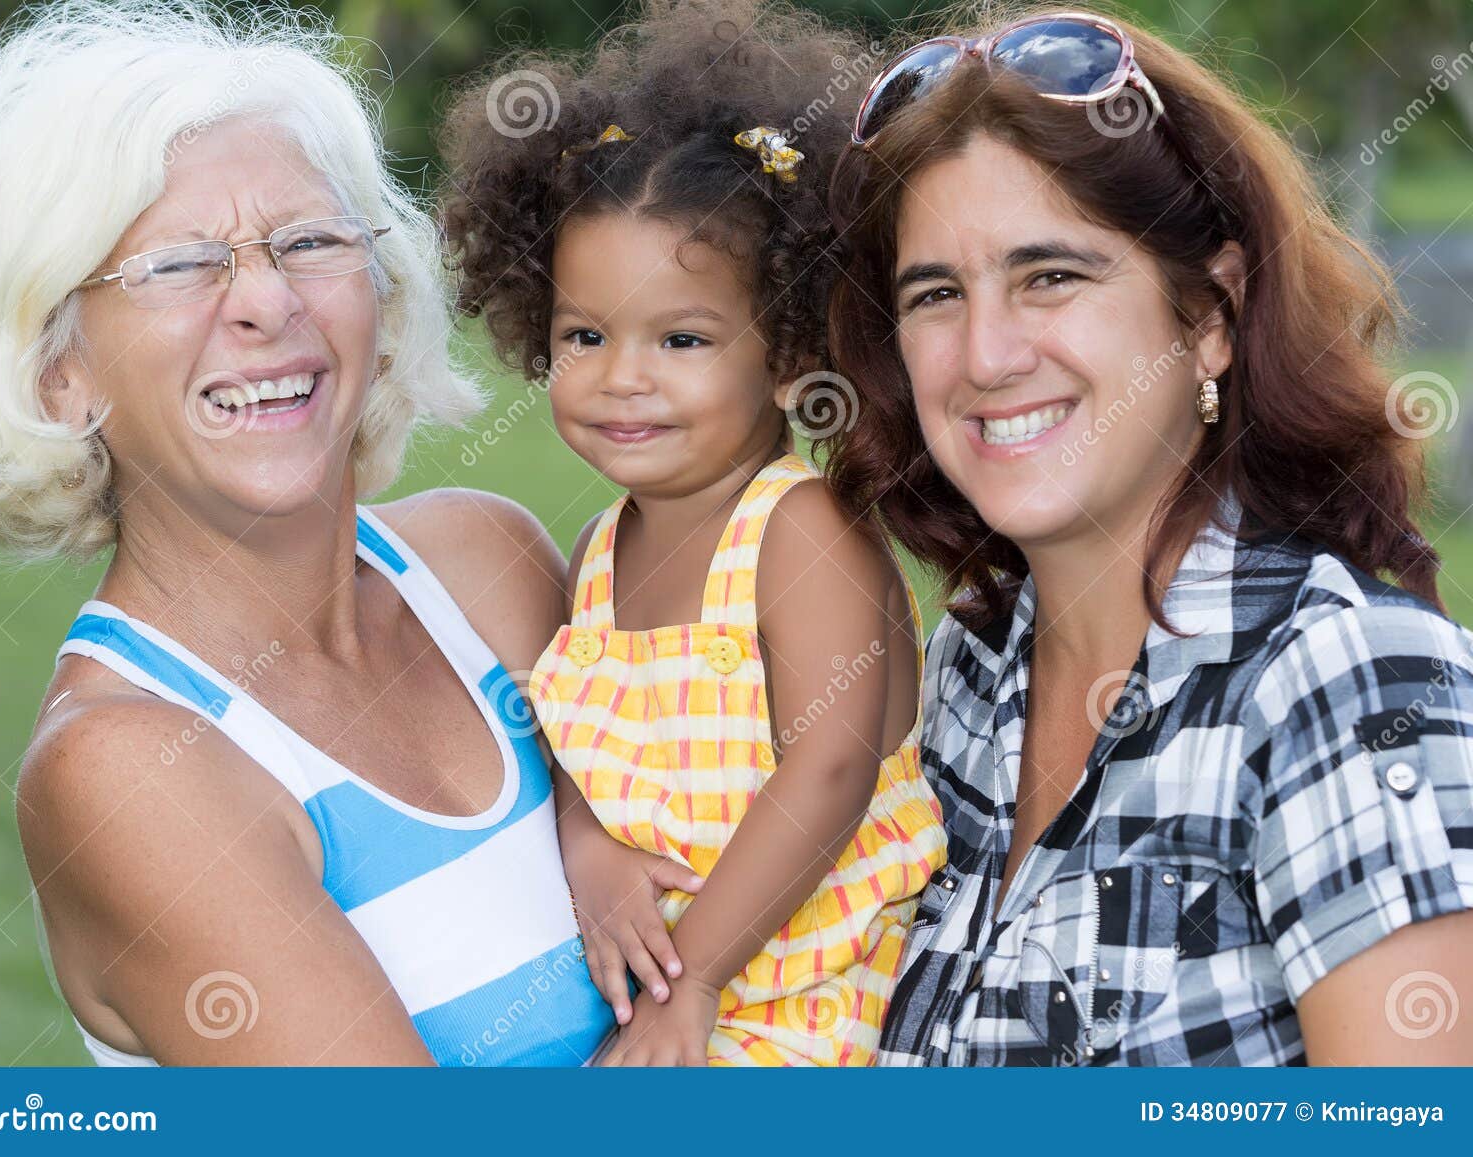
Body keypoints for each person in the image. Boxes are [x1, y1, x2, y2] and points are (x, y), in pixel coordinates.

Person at [0, 0, 620, 1066]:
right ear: (60, 368)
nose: (267, 300)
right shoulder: (125, 766)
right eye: (179, 265)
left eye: (311, 241)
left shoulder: (486, 565)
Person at [824, 6, 1473, 1065]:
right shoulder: (965, 671)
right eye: (935, 293)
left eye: (1051, 276)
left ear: (1209, 314)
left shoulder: (1351, 681)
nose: (984, 355)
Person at [439, 0, 945, 1066]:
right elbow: (572, 742)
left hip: (802, 1021)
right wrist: (589, 844)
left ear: (787, 344)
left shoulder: (796, 532)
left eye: (681, 336)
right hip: (667, 1016)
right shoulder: (594, 556)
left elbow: (831, 769)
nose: (624, 376)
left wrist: (698, 978)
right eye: (585, 333)